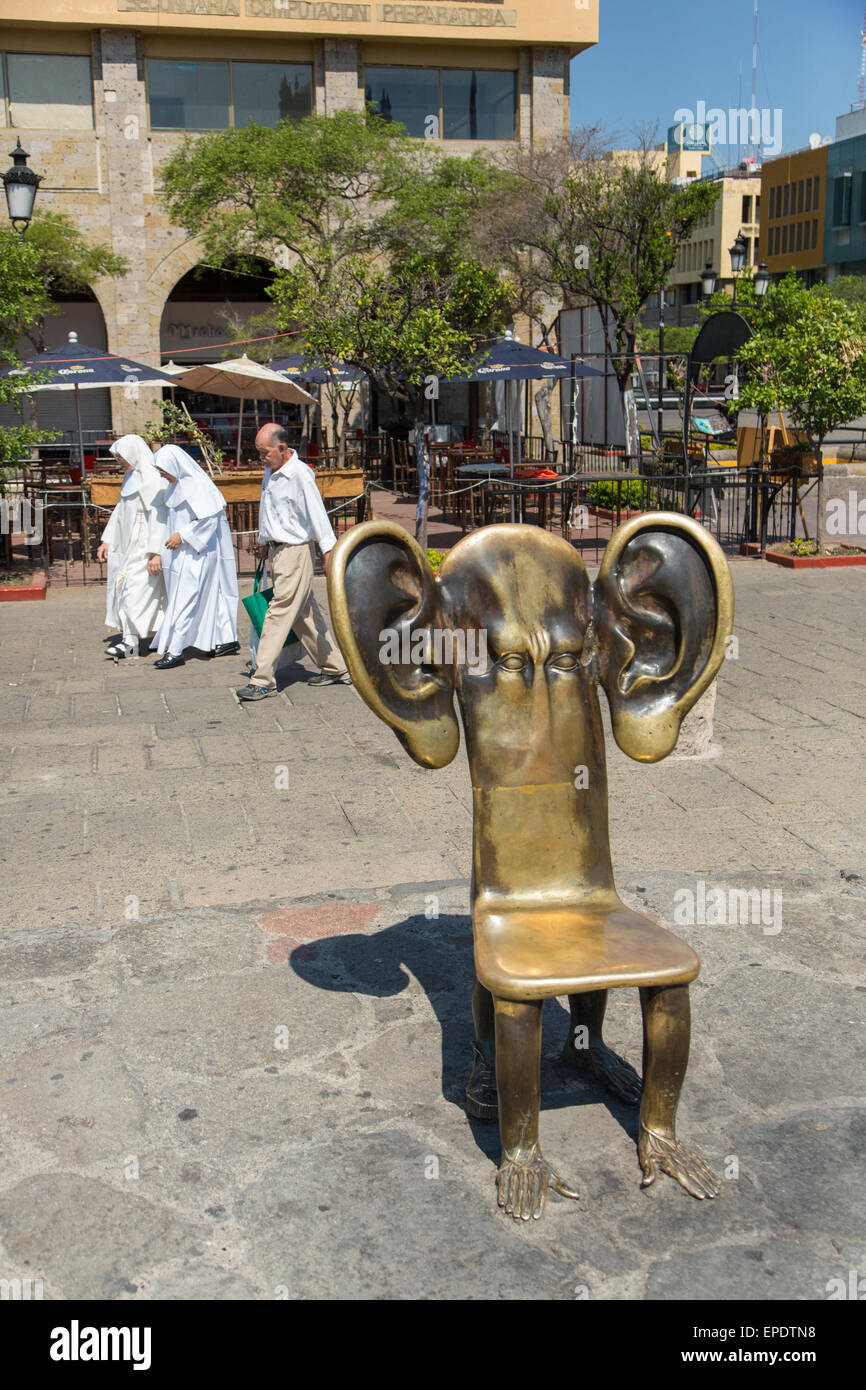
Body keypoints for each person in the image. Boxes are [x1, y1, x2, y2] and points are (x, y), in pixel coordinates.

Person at [236, 424, 349, 701]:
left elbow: (316, 511)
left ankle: (262, 678)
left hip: (295, 551)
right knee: (303, 614)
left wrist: (328, 548)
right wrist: (264, 542)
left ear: (282, 448)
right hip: (278, 551)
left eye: (264, 452)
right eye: (258, 452)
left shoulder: (300, 474)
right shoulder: (270, 472)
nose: (260, 457)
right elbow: (269, 511)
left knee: (279, 611)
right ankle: (334, 667)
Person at [151, 443, 239, 671]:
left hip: (197, 554)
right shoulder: (175, 487)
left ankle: (175, 650)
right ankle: (216, 640)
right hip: (181, 555)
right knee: (193, 599)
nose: (162, 474)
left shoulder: (198, 485)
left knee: (187, 599)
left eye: (163, 469)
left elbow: (208, 519)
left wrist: (183, 535)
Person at [96, 434, 167, 660]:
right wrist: (107, 539)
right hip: (127, 545)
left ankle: (132, 641)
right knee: (125, 589)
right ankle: (134, 640)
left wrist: (155, 552)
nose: (120, 462)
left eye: (122, 457)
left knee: (135, 591)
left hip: (144, 546)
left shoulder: (152, 479)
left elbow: (159, 516)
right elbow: (120, 511)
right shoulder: (130, 478)